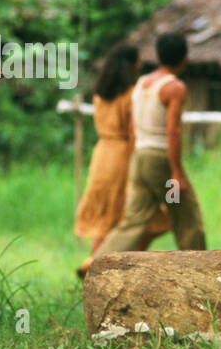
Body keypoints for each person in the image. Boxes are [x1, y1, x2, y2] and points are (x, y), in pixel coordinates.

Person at [93, 32, 206, 257]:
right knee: (185, 215)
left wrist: (134, 158)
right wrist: (176, 173)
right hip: (161, 162)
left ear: (157, 56)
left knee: (133, 220)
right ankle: (201, 265)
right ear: (184, 58)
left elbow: (134, 128)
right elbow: (173, 132)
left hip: (140, 160)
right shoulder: (174, 88)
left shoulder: (141, 84)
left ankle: (97, 262)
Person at [73, 43, 171, 278]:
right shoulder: (131, 95)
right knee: (137, 217)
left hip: (102, 155)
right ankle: (114, 269)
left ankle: (95, 268)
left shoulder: (99, 95)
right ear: (131, 65)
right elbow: (133, 132)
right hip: (123, 156)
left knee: (105, 219)